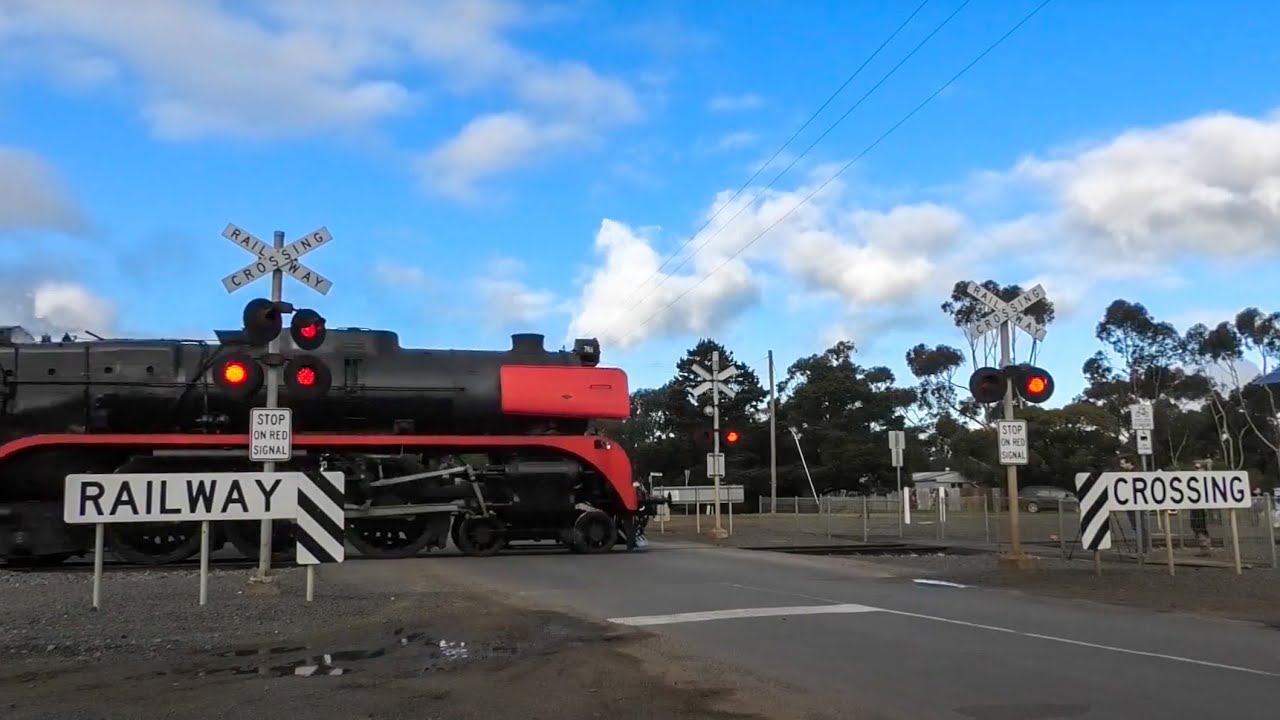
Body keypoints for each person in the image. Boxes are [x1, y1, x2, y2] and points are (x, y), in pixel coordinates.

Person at [1190, 461, 1211, 555]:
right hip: (1195, 504)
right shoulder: (1194, 478)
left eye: (1198, 468)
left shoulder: (1203, 478)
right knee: (1195, 525)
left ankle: (1205, 547)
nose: (1196, 470)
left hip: (1201, 505)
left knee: (1200, 526)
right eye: (1195, 468)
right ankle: (1204, 547)